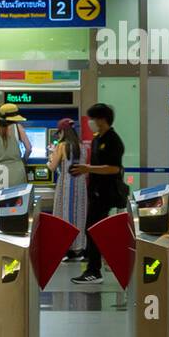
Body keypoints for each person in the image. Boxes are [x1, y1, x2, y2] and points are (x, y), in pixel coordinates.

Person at [70, 102, 127, 284]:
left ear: (102, 120)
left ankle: (94, 270)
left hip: (106, 193)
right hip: (95, 192)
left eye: (93, 118)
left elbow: (114, 169)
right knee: (94, 230)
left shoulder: (113, 140)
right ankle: (98, 266)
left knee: (93, 230)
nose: (90, 122)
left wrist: (88, 168)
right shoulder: (97, 139)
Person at [47, 117, 88, 261]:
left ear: (62, 131)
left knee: (63, 216)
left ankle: (64, 249)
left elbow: (52, 167)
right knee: (79, 216)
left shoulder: (61, 146)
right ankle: (77, 251)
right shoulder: (82, 146)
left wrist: (50, 155)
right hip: (81, 187)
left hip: (66, 186)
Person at [0, 102, 32, 199]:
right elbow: (29, 148)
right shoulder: (18, 128)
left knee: (0, 209)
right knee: (18, 208)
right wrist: (23, 160)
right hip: (17, 173)